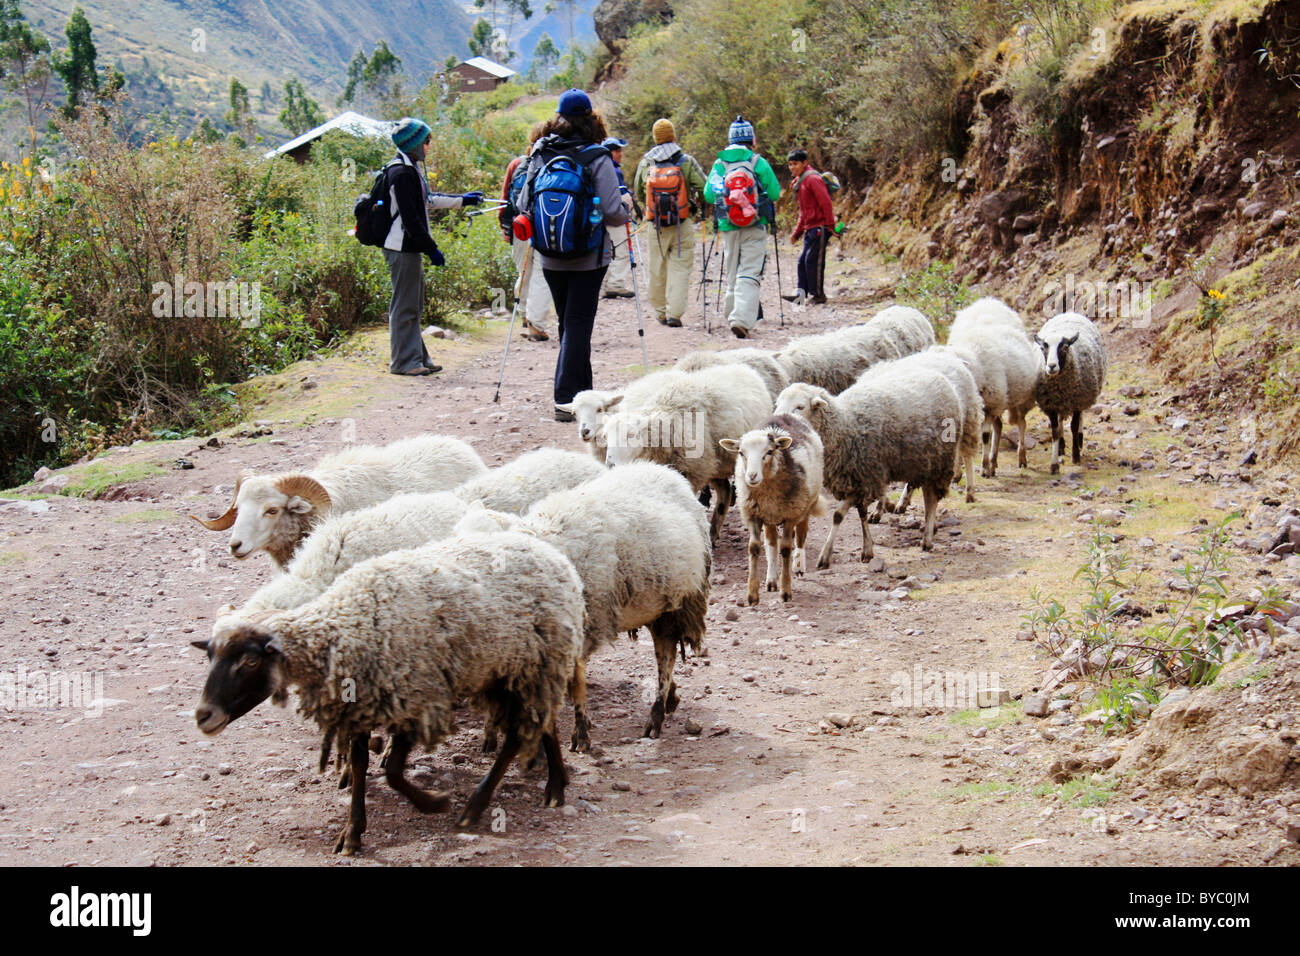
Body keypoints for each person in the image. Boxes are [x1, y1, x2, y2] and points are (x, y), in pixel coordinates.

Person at [517, 89, 629, 421]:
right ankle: (565, 399)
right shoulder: (597, 156)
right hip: (589, 257)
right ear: (591, 119)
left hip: (549, 255)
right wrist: (626, 207)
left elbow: (523, 205)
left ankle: (584, 392)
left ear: (558, 119)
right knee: (578, 325)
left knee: (569, 324)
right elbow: (612, 212)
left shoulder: (541, 152)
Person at [382, 117, 483, 375]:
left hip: (408, 246)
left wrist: (462, 201)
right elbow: (411, 220)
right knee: (404, 305)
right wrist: (431, 249)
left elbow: (428, 201)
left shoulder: (410, 168)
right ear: (414, 144)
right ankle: (404, 363)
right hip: (401, 247)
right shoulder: (401, 173)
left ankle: (418, 358)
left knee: (414, 305)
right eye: (426, 141)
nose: (429, 145)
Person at [702, 115, 780, 338]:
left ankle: (731, 313)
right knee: (750, 271)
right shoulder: (757, 162)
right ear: (751, 139)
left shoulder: (720, 163)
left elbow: (709, 195)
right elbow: (774, 193)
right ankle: (741, 318)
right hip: (755, 224)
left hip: (728, 225)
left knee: (733, 270)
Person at [631, 118, 708, 328]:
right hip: (682, 222)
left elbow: (638, 190)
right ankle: (676, 313)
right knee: (681, 268)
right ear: (673, 135)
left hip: (656, 225)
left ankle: (661, 312)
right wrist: (697, 205)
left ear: (655, 138)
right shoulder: (686, 161)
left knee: (657, 267)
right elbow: (705, 186)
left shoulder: (647, 162)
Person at [500, 123, 557, 341]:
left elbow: (505, 199)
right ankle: (536, 321)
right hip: (544, 226)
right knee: (541, 274)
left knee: (523, 271)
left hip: (520, 226)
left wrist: (506, 228)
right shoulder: (552, 163)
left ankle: (523, 313)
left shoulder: (517, 164)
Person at [785, 148, 835, 306]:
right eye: (790, 164)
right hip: (810, 229)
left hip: (820, 227)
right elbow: (804, 211)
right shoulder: (801, 181)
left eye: (795, 164)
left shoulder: (812, 179)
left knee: (813, 262)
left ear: (805, 163)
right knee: (803, 262)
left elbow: (826, 203)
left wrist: (830, 225)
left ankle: (819, 295)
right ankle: (801, 295)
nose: (792, 167)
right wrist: (797, 233)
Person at [600, 136, 636, 299]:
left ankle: (606, 284)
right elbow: (619, 195)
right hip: (616, 217)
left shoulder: (600, 169)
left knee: (607, 251)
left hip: (602, 218)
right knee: (621, 251)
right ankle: (615, 284)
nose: (620, 154)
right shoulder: (614, 171)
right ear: (609, 153)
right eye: (617, 150)